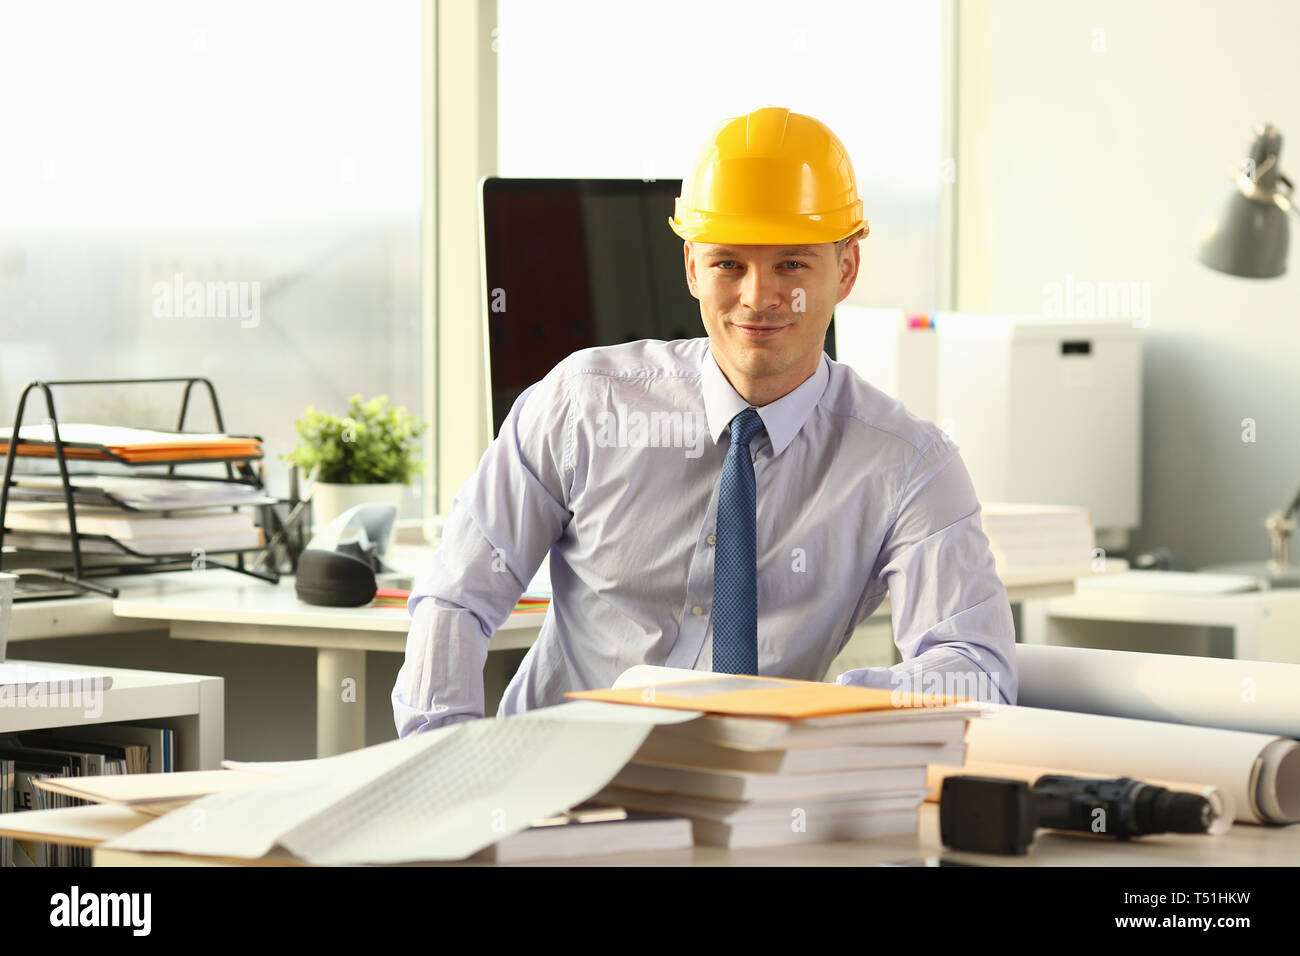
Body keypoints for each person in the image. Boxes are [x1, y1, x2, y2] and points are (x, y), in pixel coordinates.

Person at [393, 106, 1016, 736]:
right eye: (729, 264)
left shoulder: (907, 464)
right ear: (693, 268)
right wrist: (443, 759)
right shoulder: (583, 406)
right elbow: (456, 595)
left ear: (846, 269)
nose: (758, 296)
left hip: (753, 800)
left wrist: (820, 709)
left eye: (792, 264)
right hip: (556, 791)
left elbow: (974, 668)